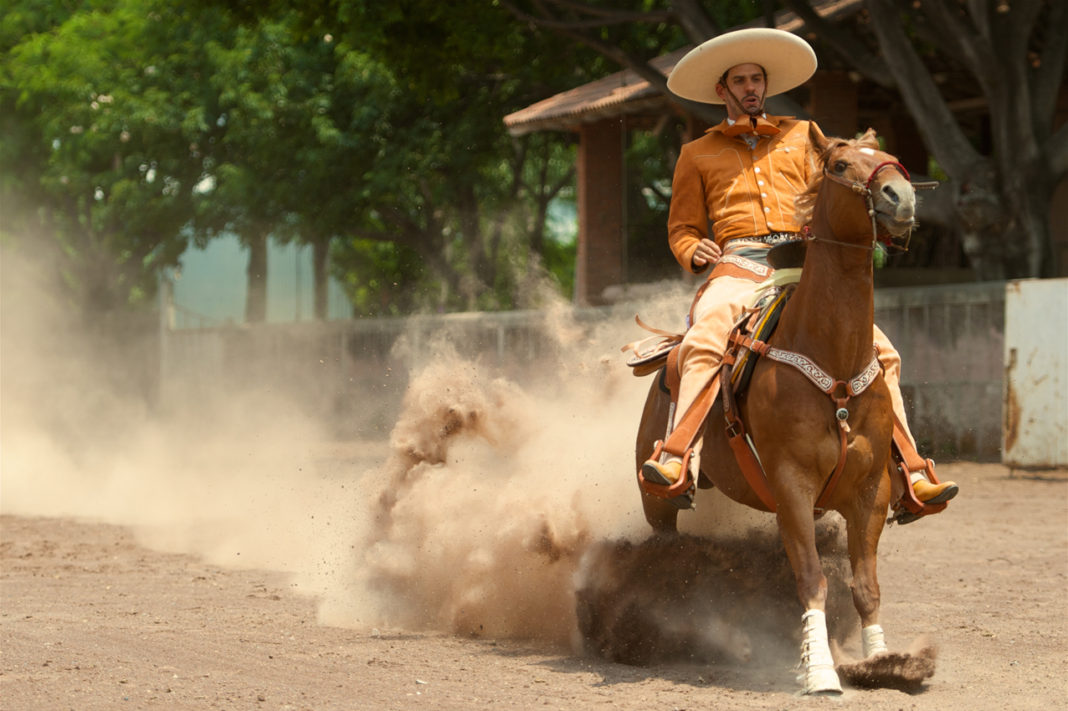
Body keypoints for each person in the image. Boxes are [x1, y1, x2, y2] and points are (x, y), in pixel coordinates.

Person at [641, 28, 958, 512]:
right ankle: (679, 456)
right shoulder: (696, 153)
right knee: (703, 339)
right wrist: (692, 249)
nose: (751, 87)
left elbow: (837, 186)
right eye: (740, 81)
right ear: (722, 90)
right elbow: (681, 228)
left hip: (806, 265)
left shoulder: (804, 135)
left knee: (883, 352)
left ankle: (911, 472)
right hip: (737, 267)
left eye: (757, 79)